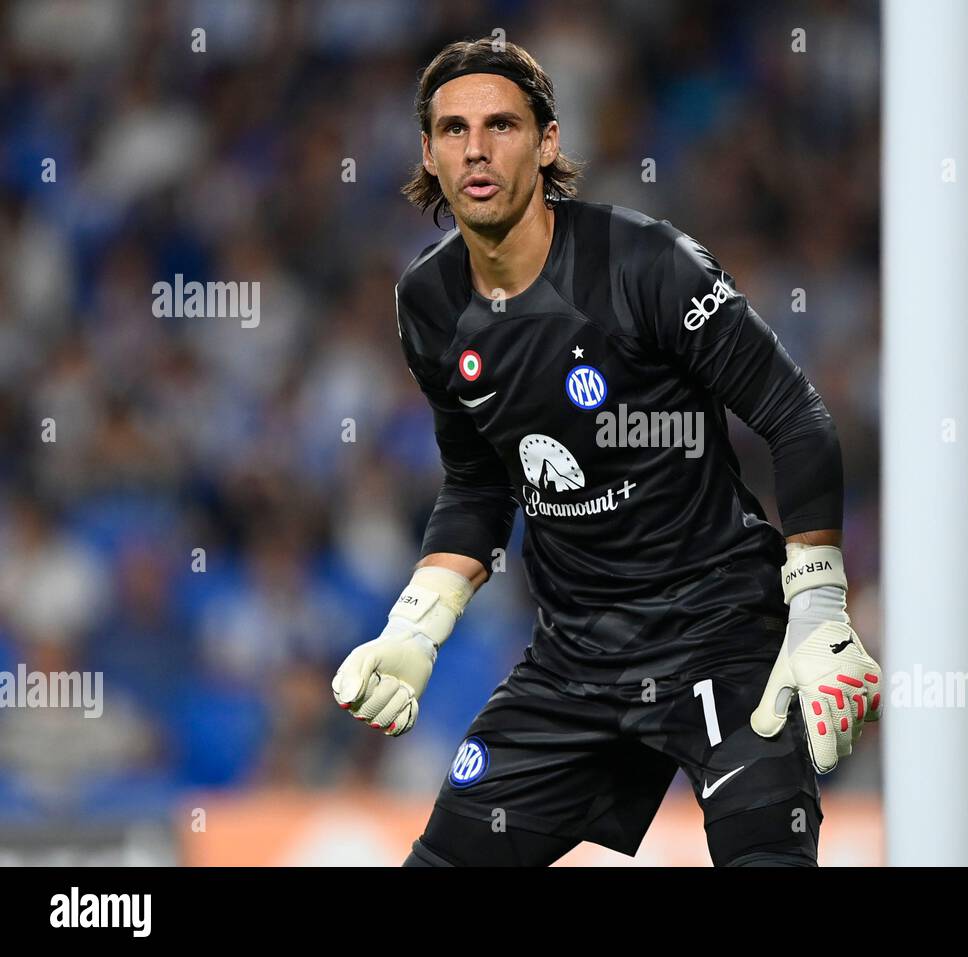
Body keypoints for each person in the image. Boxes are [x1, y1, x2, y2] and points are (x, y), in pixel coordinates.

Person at [331, 37, 882, 867]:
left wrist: (818, 609)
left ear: (548, 142)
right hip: (577, 657)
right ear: (428, 153)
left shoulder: (649, 265)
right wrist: (417, 626)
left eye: (502, 125)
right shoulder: (428, 303)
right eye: (452, 130)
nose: (476, 149)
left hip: (721, 631)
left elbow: (796, 418)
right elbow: (479, 480)